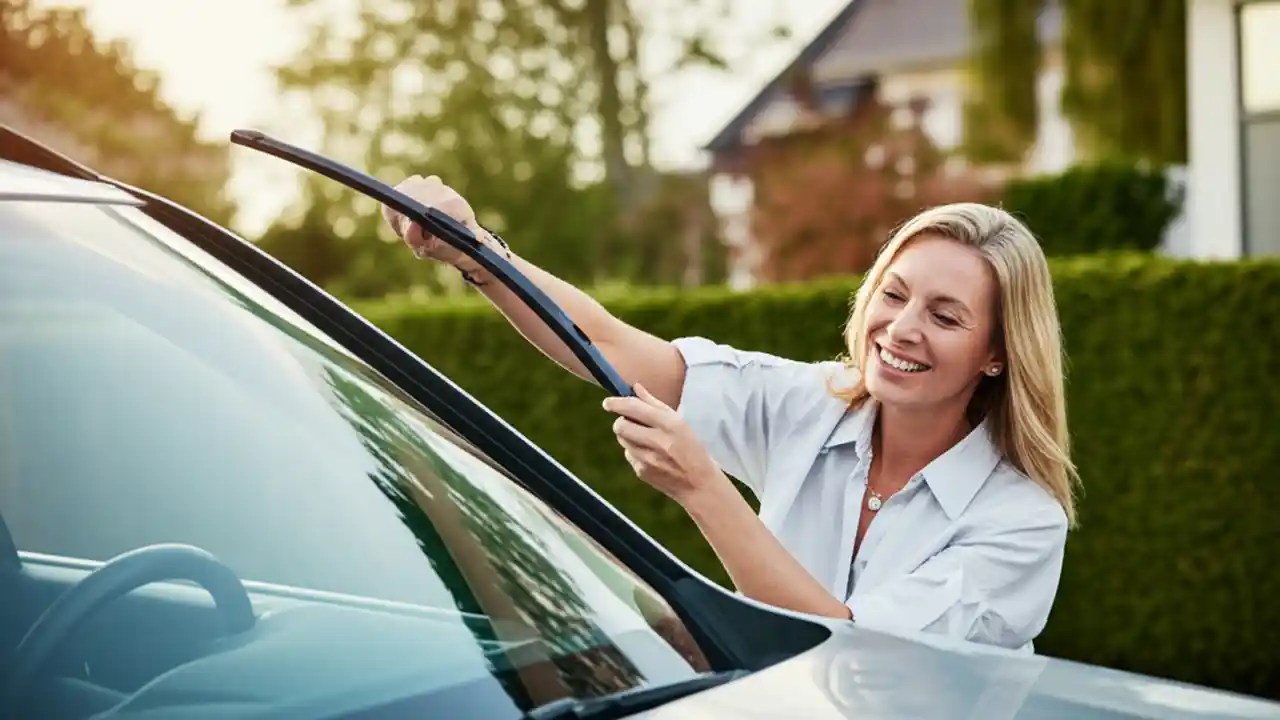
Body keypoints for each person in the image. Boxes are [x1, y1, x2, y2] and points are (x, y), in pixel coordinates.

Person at [381, 175, 1079, 652]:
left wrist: (701, 487)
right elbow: (605, 340)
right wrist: (474, 249)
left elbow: (843, 647)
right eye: (893, 295)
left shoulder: (1019, 520)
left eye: (945, 316)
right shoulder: (809, 404)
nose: (900, 329)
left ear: (997, 353)